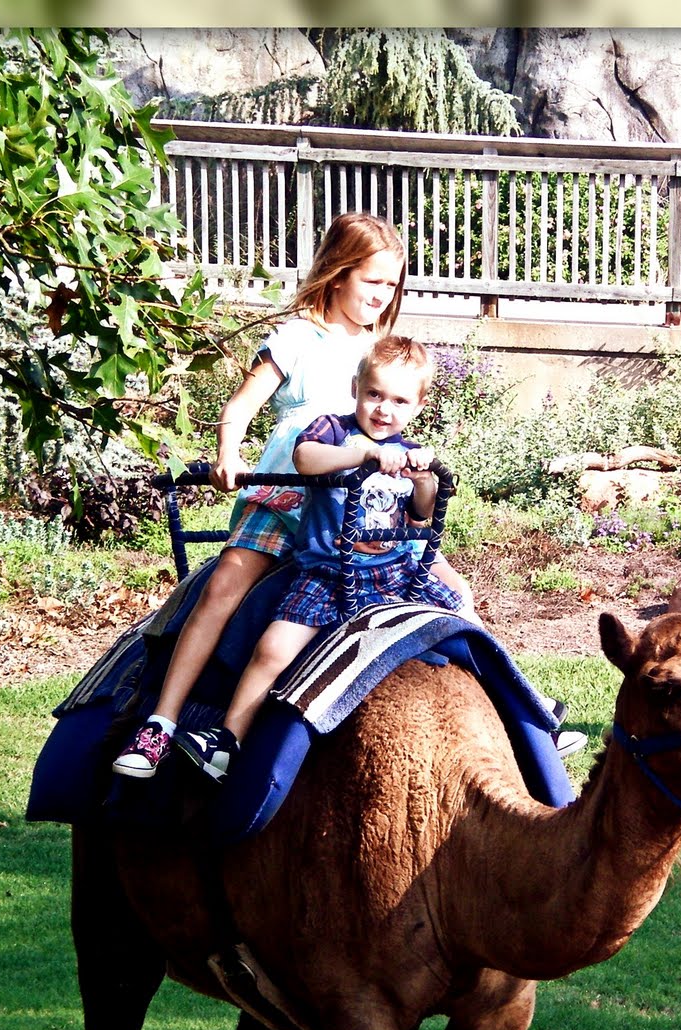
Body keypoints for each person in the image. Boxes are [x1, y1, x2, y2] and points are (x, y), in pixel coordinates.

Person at [114, 212, 476, 776]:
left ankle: (511, 708)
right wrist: (230, 455)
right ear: (338, 275)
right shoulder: (297, 338)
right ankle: (161, 722)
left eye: (391, 284)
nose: (382, 295)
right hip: (290, 492)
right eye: (371, 281)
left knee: (450, 580)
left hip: (362, 503)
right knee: (226, 582)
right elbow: (239, 409)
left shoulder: (384, 350)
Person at [171, 336, 459, 781]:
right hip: (327, 572)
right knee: (273, 648)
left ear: (418, 407)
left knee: (461, 618)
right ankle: (227, 738)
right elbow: (306, 459)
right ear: (355, 389)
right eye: (374, 394)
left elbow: (420, 516)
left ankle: (527, 714)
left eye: (399, 400)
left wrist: (422, 477)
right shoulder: (334, 430)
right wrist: (363, 452)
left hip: (393, 574)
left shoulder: (407, 451)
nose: (384, 409)